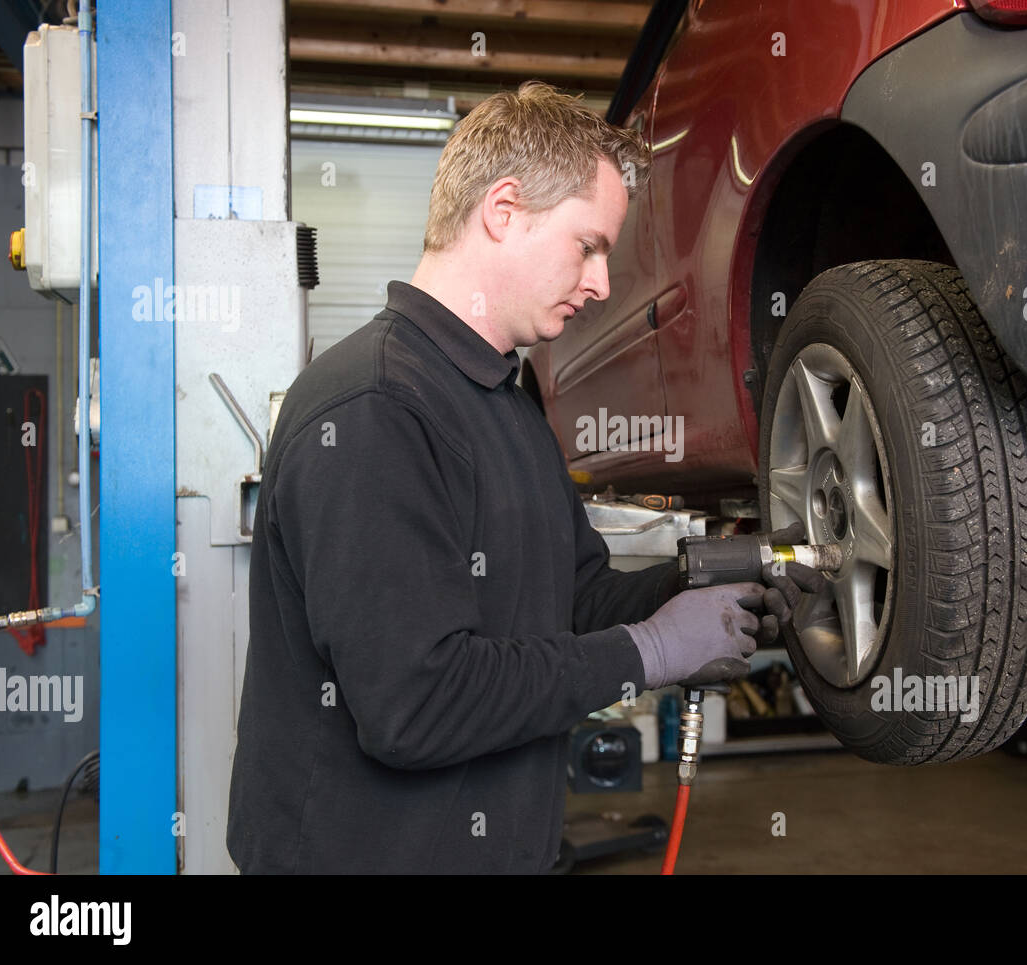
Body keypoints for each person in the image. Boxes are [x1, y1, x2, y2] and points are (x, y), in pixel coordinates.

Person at [225, 81, 797, 874]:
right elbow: (415, 704)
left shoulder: (506, 399)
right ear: (503, 209)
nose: (601, 283)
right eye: (589, 245)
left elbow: (571, 602)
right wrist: (649, 652)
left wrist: (698, 587)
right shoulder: (375, 408)